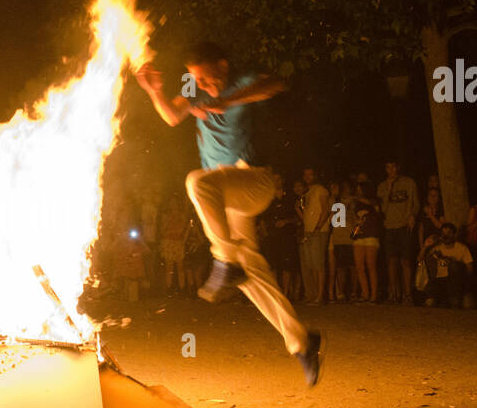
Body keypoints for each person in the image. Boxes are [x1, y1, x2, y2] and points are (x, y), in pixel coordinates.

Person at [134, 41, 321, 385]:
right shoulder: (195, 91)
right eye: (196, 81)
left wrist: (228, 101)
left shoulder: (243, 80)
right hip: (226, 193)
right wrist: (155, 91)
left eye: (206, 79)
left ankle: (225, 262)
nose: (202, 87)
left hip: (254, 181)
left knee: (196, 182)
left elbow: (277, 84)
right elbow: (173, 115)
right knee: (252, 271)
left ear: (222, 65)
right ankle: (302, 342)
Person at [376, 160, 419, 305]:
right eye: (388, 167)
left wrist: (413, 214)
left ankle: (408, 295)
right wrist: (388, 189)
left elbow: (415, 202)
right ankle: (394, 294)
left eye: (393, 166)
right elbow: (383, 209)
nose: (391, 170)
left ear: (398, 167)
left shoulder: (409, 182)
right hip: (389, 227)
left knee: (406, 260)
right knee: (391, 261)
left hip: (404, 225)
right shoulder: (382, 186)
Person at [419, 222, 473, 308]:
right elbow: (420, 260)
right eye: (443, 233)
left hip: (457, 283)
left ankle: (455, 298)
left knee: (454, 266)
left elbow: (470, 270)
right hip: (441, 282)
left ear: (454, 234)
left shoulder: (462, 248)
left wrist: (455, 264)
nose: (445, 236)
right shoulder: (437, 247)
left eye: (448, 233)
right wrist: (425, 246)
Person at [298, 167, 330, 305]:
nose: (307, 177)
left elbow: (326, 209)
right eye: (305, 174)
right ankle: (314, 295)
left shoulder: (320, 190)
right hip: (308, 231)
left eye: (310, 174)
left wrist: (318, 226)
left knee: (318, 264)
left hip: (318, 231)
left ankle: (320, 296)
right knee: (311, 265)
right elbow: (306, 215)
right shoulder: (308, 192)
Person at [350, 183, 383, 304]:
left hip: (371, 236)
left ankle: (373, 296)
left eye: (360, 190)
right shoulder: (356, 204)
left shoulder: (374, 202)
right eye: (357, 190)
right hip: (359, 236)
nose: (358, 192)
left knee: (371, 266)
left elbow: (376, 209)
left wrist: (356, 198)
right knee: (359, 267)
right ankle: (365, 294)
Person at [328, 178, 355, 302]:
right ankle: (341, 293)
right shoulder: (335, 202)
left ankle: (354, 292)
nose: (345, 191)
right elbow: (334, 220)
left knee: (353, 267)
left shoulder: (354, 202)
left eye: (347, 188)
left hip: (352, 239)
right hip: (339, 238)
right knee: (341, 268)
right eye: (342, 189)